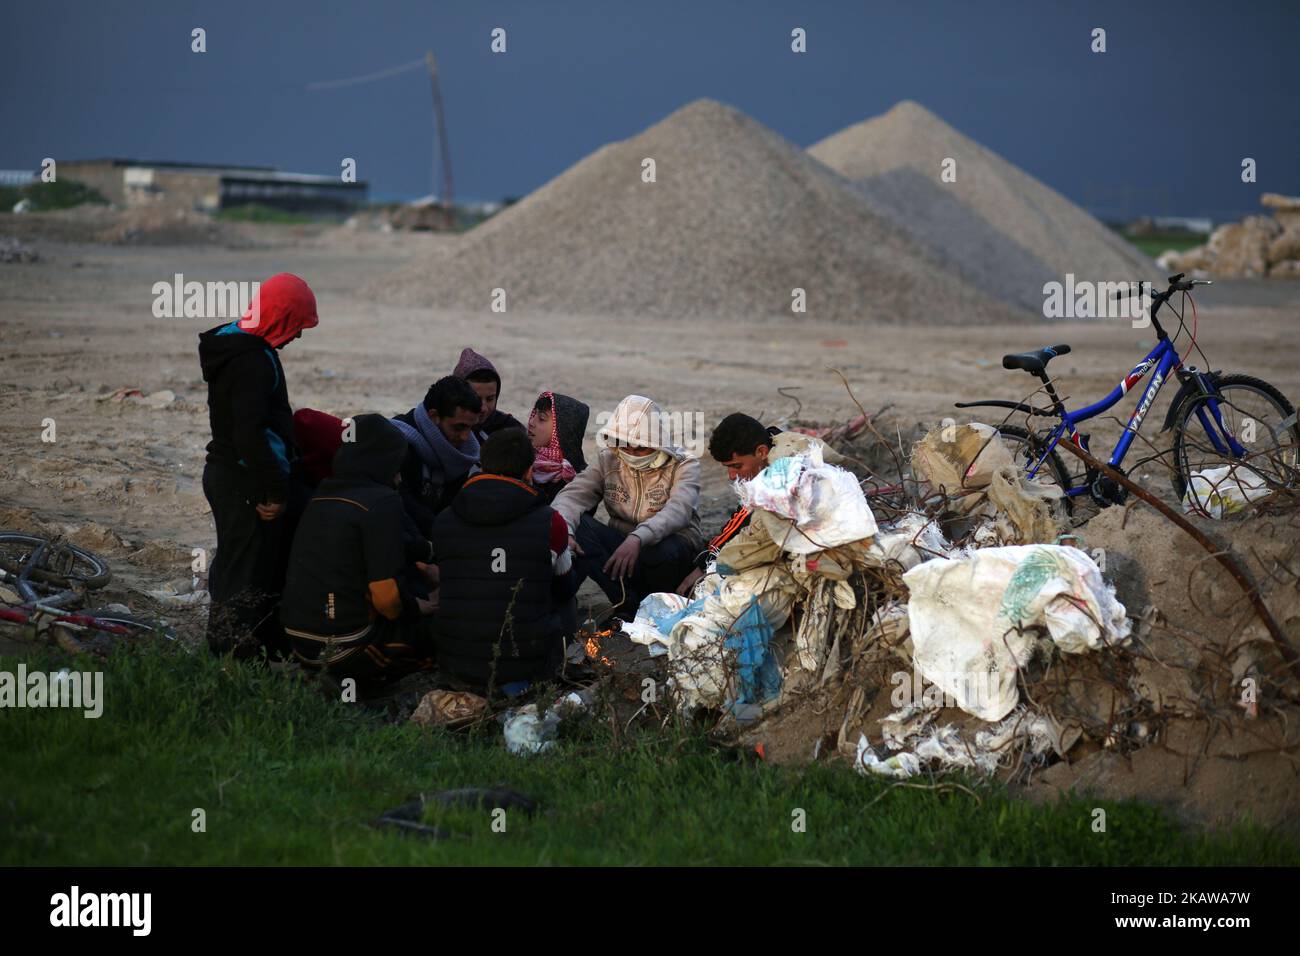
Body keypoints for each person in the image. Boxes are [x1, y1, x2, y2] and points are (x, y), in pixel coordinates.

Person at [198, 272, 318, 656]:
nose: (298, 336)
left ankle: (250, 649)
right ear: (281, 317)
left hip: (231, 474)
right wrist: (272, 491)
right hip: (242, 480)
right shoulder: (252, 362)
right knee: (243, 574)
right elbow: (251, 434)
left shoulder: (236, 344)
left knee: (240, 563)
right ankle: (231, 659)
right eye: (297, 325)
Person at [280, 414, 437, 686]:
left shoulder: (322, 493)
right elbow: (387, 600)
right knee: (449, 633)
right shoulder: (381, 502)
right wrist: (425, 607)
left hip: (299, 644)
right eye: (397, 467)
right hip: (346, 648)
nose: (399, 478)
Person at [433, 428, 577, 688]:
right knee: (567, 601)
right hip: (526, 665)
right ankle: (557, 671)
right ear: (528, 472)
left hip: (455, 664)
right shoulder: (550, 522)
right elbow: (564, 588)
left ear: (482, 465)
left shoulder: (445, 519)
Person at [552, 395, 703, 619]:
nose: (631, 453)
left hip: (669, 550)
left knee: (663, 550)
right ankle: (626, 604)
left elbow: (679, 511)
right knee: (581, 528)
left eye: (640, 448)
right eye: (625, 445)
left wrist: (638, 538)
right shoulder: (608, 459)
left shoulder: (684, 464)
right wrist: (565, 530)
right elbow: (572, 497)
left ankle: (659, 606)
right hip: (624, 547)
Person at [676, 412, 860, 593]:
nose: (732, 476)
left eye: (737, 466)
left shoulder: (783, 476)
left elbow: (747, 524)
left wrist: (705, 563)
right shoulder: (780, 443)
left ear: (762, 452)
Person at [391, 375, 482, 540]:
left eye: (470, 428)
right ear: (434, 417)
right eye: (459, 427)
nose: (465, 437)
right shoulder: (396, 443)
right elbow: (402, 504)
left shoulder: (463, 453)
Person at [526, 390, 589, 503]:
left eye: (541, 418)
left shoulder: (580, 480)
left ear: (561, 430)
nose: (531, 422)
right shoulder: (523, 460)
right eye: (533, 414)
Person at [453, 347, 525, 442]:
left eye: (490, 399)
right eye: (476, 399)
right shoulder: (443, 427)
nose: (484, 408)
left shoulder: (510, 430)